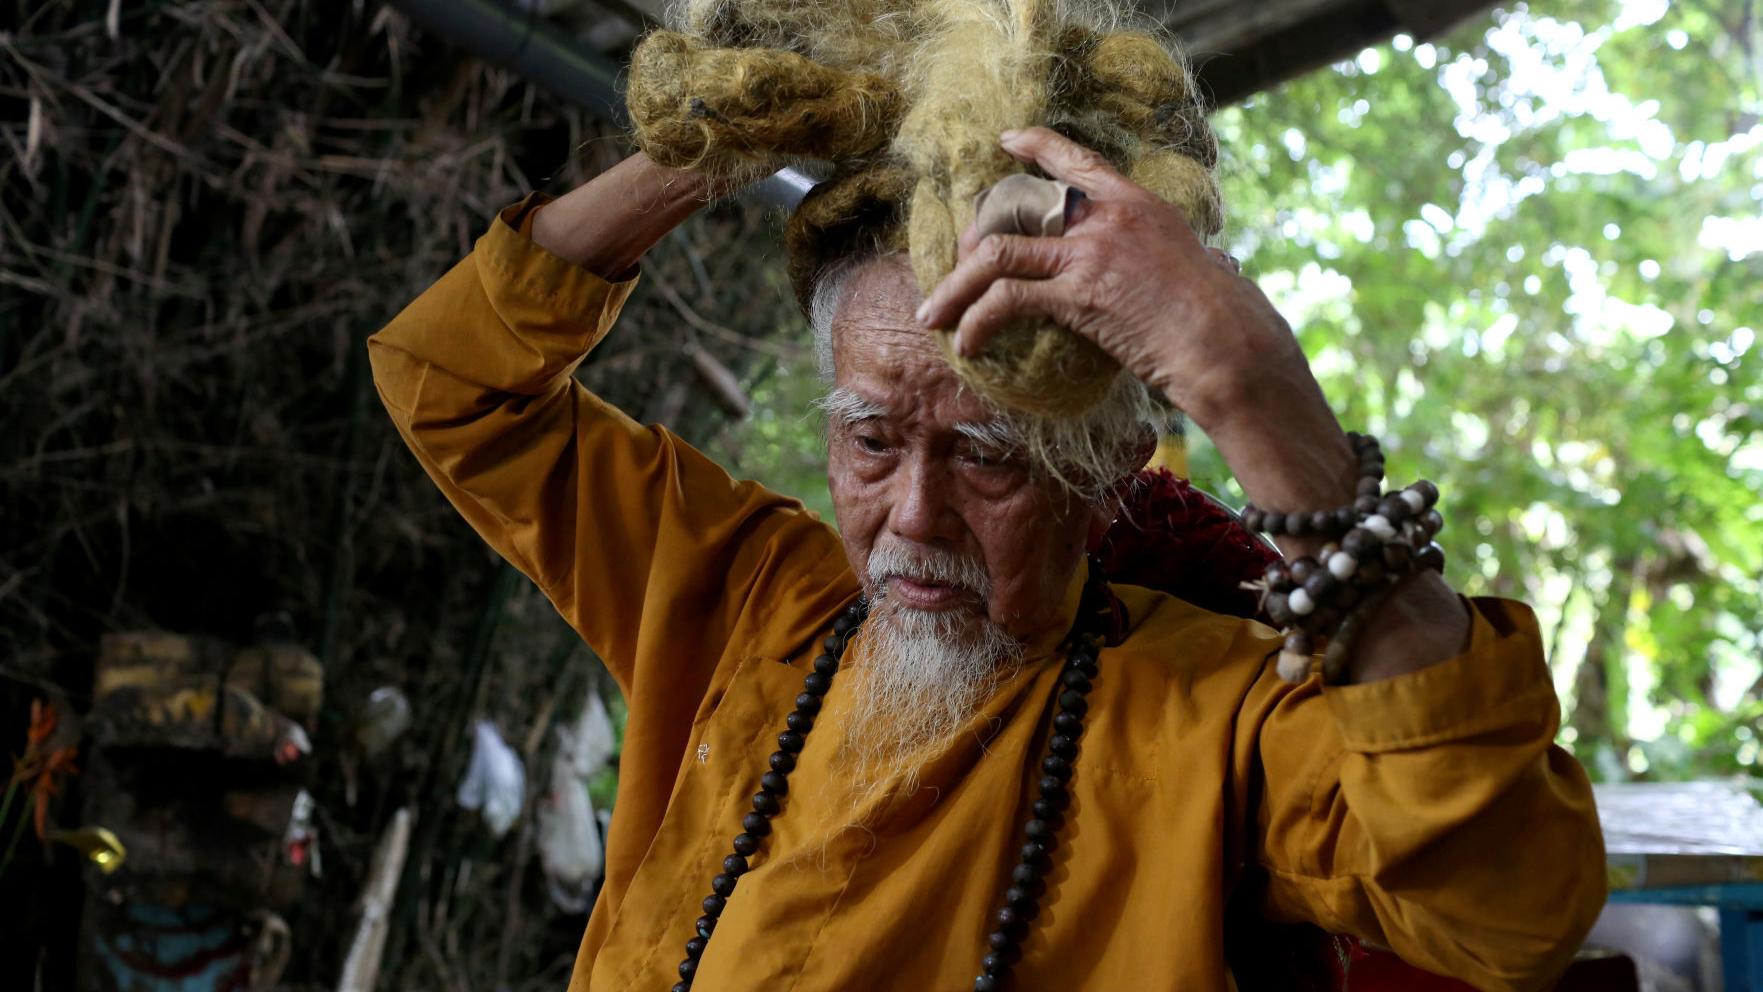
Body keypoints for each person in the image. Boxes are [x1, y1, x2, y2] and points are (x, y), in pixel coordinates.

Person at [370, 123, 1606, 990]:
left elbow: (1507, 913)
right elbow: (454, 383)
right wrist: (698, 153)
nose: (912, 514)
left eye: (989, 457)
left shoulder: (1207, 715)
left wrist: (1249, 389)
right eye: (869, 438)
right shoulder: (755, 596)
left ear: (1112, 469)